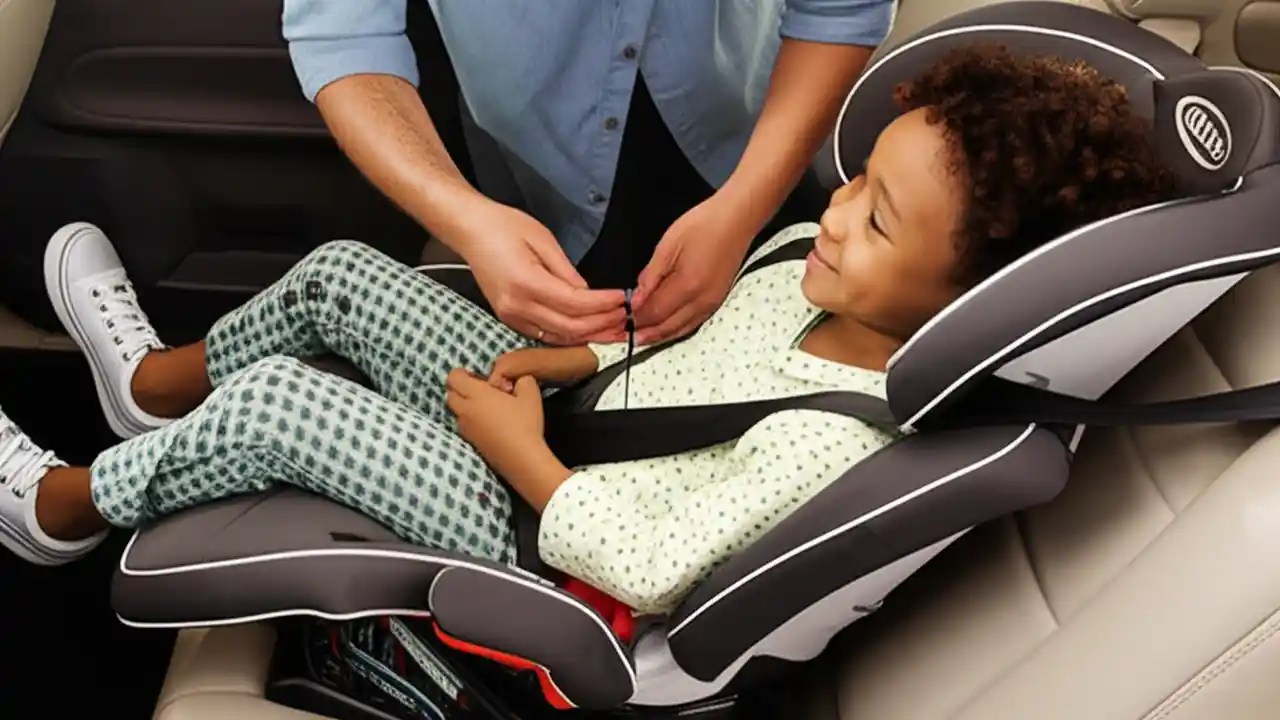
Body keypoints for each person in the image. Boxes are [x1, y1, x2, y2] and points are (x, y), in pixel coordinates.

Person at [3, 45, 1175, 612]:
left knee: (280, 407)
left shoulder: (837, 439)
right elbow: (674, 357)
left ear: (958, 299)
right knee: (344, 275)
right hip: (562, 407)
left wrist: (526, 457)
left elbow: (658, 568)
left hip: (530, 524)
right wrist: (569, 356)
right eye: (854, 180)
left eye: (876, 219)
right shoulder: (810, 274)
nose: (832, 212)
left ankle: (54, 510)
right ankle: (149, 389)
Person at [283, 1, 895, 347]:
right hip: (532, 174)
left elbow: (839, 8)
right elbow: (342, 37)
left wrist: (744, 204)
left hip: (755, 137)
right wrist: (467, 221)